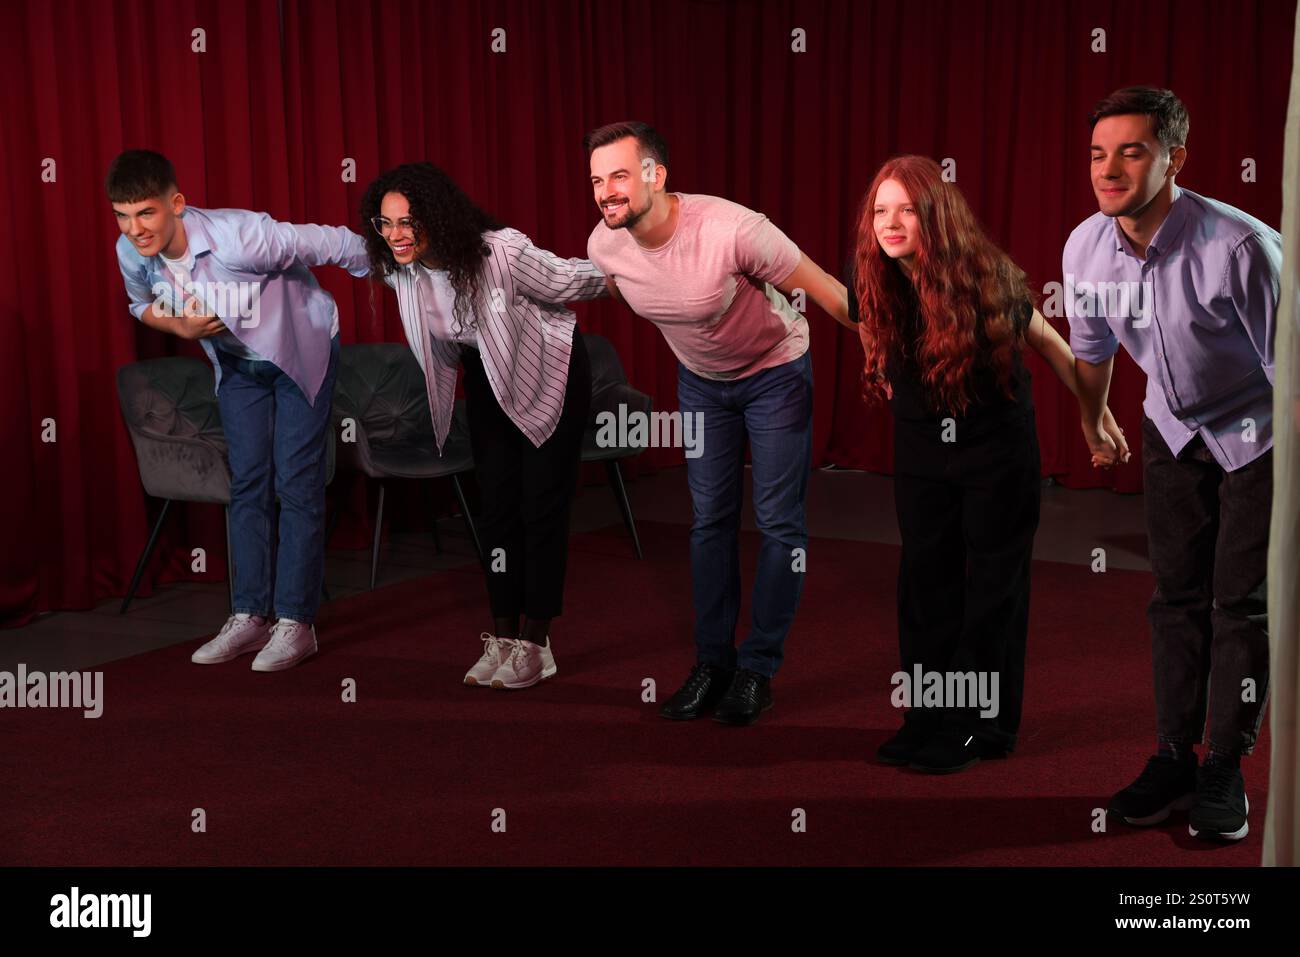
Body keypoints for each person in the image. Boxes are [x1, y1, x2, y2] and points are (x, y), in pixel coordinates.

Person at [851, 155, 1129, 773]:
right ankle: (924, 717)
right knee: (926, 584)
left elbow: (1055, 346)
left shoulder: (986, 275)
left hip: (996, 453)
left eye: (906, 210)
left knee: (992, 592)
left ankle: (981, 726)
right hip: (922, 454)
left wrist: (1093, 417)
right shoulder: (876, 276)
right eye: (880, 210)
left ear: (938, 217)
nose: (889, 223)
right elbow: (866, 325)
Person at [585, 121, 852, 726]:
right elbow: (625, 292)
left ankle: (757, 669)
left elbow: (830, 293)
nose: (606, 192)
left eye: (620, 176)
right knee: (710, 522)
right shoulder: (606, 245)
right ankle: (713, 662)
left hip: (775, 373)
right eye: (597, 181)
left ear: (656, 175)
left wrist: (898, 345)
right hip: (702, 384)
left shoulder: (733, 228)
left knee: (780, 522)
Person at [1065, 87, 1279, 840]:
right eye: (1098, 153)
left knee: (1239, 603)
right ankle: (1172, 754)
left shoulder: (1242, 248)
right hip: (1170, 428)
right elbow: (1090, 353)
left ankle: (1225, 762)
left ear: (1173, 158)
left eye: (1132, 150)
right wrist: (1095, 417)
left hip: (1258, 434)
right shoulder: (1084, 246)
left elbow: (1288, 371)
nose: (1109, 169)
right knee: (1175, 597)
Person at [108, 149, 370, 671]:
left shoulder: (243, 236)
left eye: (146, 213)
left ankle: (295, 622)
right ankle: (250, 615)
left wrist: (404, 278)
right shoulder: (131, 251)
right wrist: (178, 327)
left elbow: (336, 242)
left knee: (295, 482)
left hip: (301, 349)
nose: (135, 228)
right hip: (237, 364)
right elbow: (140, 304)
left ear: (176, 204)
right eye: (122, 215)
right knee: (248, 481)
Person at [359, 162, 607, 690]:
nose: (396, 235)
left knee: (541, 503)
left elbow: (573, 279)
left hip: (549, 368)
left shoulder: (502, 253)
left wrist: (641, 263)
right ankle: (502, 635)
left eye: (408, 222)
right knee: (495, 506)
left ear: (439, 218)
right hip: (488, 373)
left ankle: (537, 644)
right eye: (386, 223)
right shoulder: (403, 267)